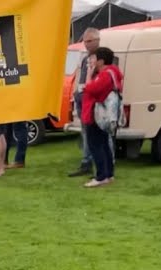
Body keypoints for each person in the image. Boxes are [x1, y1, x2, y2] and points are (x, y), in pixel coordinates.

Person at [81, 46, 124, 188]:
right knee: (104, 144)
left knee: (95, 145)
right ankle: (108, 174)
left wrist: (88, 75)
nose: (91, 61)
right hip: (102, 115)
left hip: (96, 115)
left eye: (93, 58)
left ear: (100, 60)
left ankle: (101, 176)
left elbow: (91, 89)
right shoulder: (112, 73)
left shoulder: (105, 75)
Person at [69, 27, 101, 177]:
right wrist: (76, 93)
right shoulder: (84, 58)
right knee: (85, 133)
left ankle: (97, 164)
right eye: (85, 41)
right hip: (82, 99)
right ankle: (86, 162)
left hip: (93, 101)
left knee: (95, 133)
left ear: (97, 40)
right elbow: (80, 78)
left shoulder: (101, 59)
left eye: (89, 41)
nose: (86, 44)